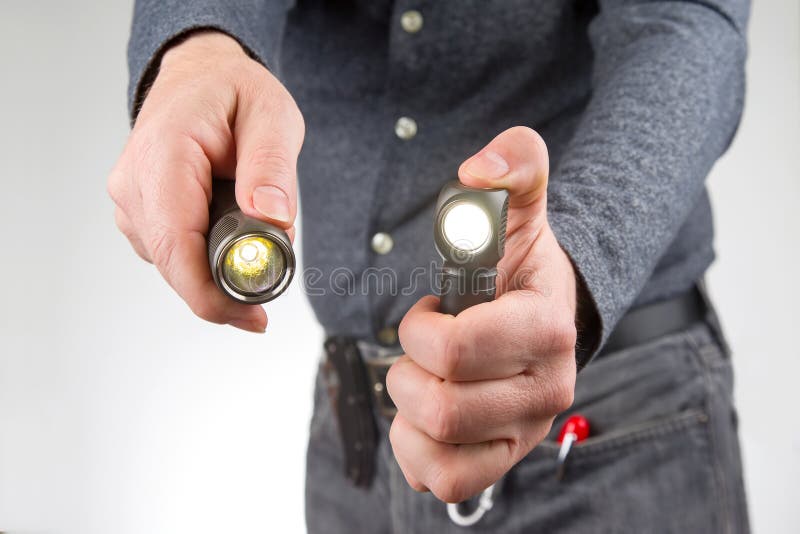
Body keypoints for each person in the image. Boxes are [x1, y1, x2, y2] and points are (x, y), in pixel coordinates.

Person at [108, 1, 751, 532]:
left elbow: (683, 21)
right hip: (355, 435)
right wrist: (197, 43)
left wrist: (578, 258)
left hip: (610, 417)